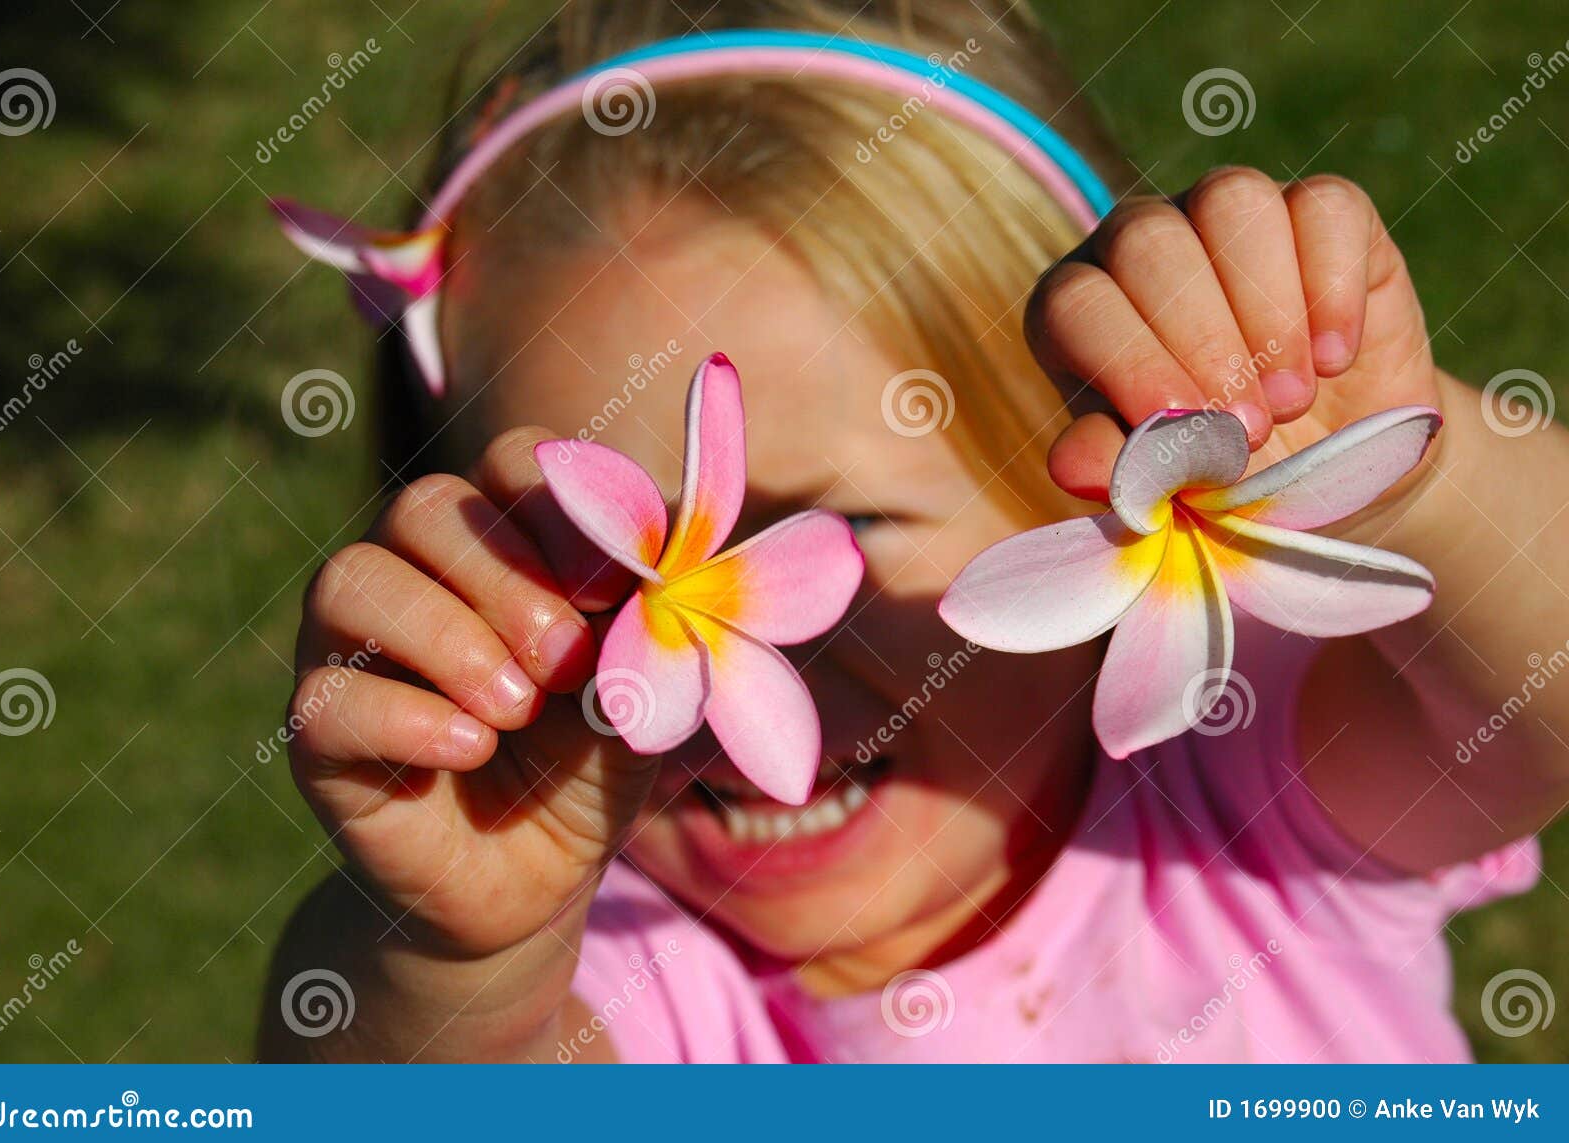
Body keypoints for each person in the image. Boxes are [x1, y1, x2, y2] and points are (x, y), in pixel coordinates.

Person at [257, 0, 1566, 1063]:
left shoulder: (1249, 788)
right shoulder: (631, 971)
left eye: (835, 527)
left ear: (1096, 478)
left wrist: (1407, 470)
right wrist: (460, 958)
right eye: (596, 569)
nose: (709, 680)